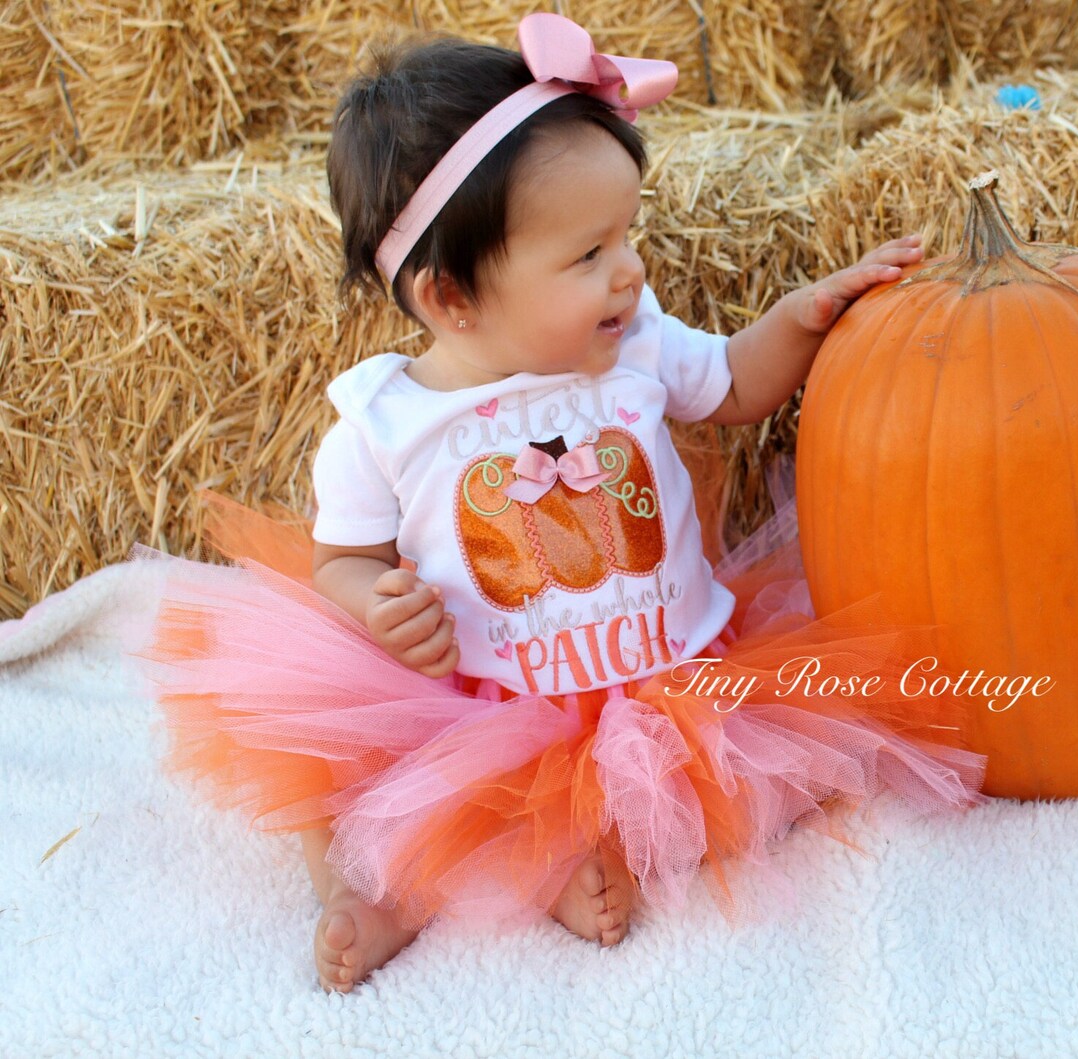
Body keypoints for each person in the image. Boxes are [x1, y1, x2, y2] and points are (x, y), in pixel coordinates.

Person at [129, 12, 988, 994]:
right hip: (481, 701)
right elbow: (345, 562)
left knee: (743, 784)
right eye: (587, 256)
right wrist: (376, 604)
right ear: (453, 300)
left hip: (670, 683)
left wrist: (801, 319)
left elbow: (736, 386)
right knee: (340, 780)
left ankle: (567, 861)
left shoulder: (638, 341)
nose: (628, 270)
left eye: (627, 235)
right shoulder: (384, 423)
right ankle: (374, 898)